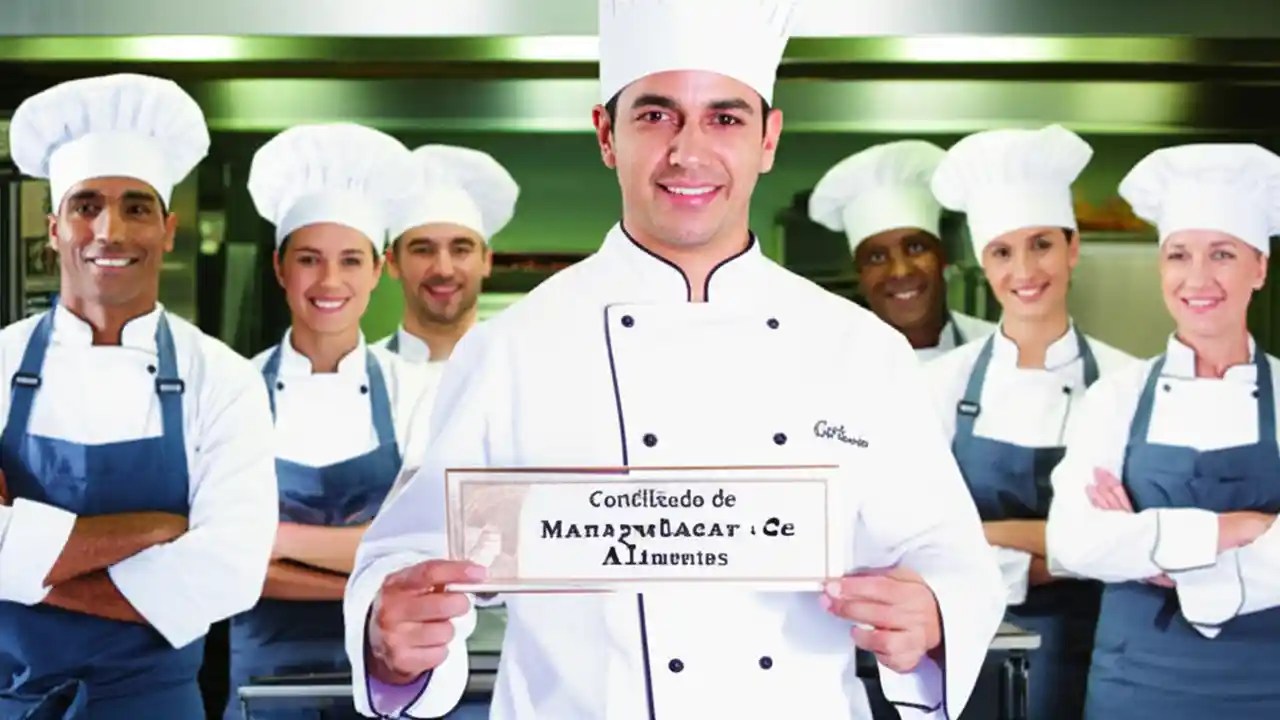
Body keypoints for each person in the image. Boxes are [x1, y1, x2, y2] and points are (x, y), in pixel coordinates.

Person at [343, 2, 1005, 719]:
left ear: (769, 138)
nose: (689, 152)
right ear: (606, 133)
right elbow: (411, 554)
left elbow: (948, 552)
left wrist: (934, 612)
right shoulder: (514, 348)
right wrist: (391, 633)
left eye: (724, 118)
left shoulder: (857, 349)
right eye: (656, 116)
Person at [0, 73, 278, 718]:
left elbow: (229, 572)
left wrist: (24, 565)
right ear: (54, 227)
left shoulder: (224, 379)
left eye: (136, 207)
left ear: (169, 229)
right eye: (86, 204)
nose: (110, 230)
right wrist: (155, 530)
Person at [1045, 143, 1280, 719]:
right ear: (1161, 267)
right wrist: (1243, 527)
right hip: (1136, 685)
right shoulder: (1117, 397)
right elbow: (1071, 543)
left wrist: (1149, 546)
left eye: (1222, 253)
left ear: (1260, 268)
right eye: (1179, 255)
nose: (1197, 278)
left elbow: (1107, 546)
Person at [222, 123, 438, 720]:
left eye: (350, 260)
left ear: (379, 269)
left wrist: (275, 542)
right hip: (257, 685)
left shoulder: (416, 390)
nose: (329, 282)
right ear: (279, 268)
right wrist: (374, 573)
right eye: (309, 260)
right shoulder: (232, 390)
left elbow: (429, 550)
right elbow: (224, 561)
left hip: (388, 673)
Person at [925, 124, 1136, 719]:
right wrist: (1067, 547)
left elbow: (1132, 542)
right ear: (983, 264)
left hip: (1102, 653)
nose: (1025, 269)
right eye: (1002, 251)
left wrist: (984, 538)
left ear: (1073, 247)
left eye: (1041, 243)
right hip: (971, 650)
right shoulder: (940, 386)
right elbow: (925, 539)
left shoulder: (1125, 384)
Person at [810, 140, 997, 361]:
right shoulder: (829, 366)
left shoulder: (1004, 351)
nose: (900, 271)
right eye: (877, 257)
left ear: (942, 257)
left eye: (915, 248)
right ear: (859, 275)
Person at [374, 144, 519, 366]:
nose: (444, 269)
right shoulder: (356, 378)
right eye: (423, 250)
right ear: (393, 263)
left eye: (460, 250)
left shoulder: (523, 370)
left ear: (486, 261)